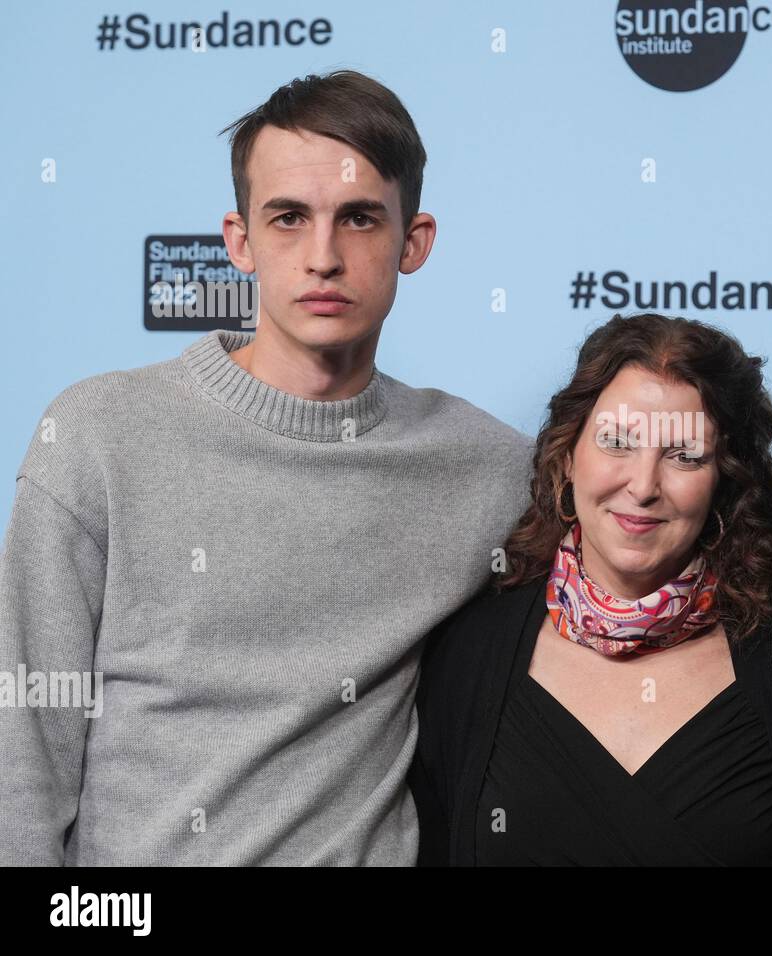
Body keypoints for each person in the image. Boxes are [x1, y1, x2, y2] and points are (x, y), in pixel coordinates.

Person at [0, 70, 532, 865]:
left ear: (412, 242)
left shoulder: (487, 468)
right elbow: (25, 747)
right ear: (239, 240)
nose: (323, 257)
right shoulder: (98, 435)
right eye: (289, 218)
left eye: (358, 219)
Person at [409, 313, 772, 865]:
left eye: (684, 455)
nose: (642, 486)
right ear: (568, 455)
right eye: (617, 443)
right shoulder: (469, 650)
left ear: (724, 481)